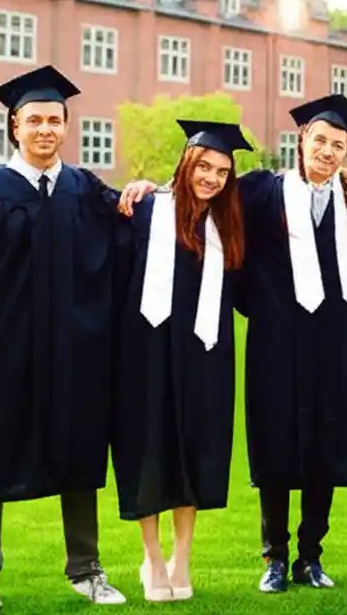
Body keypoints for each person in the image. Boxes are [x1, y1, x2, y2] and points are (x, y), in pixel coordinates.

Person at [120, 94, 347, 594]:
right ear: (302, 140)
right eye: (320, 140)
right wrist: (150, 188)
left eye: (338, 144)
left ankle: (311, 555)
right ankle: (275, 556)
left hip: (335, 347)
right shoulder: (262, 190)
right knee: (276, 446)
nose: (327, 151)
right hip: (275, 344)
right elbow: (205, 202)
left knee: (324, 447)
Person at [0, 65, 126, 614]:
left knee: (79, 457)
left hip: (74, 356)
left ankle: (86, 569)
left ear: (66, 125)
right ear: (14, 126)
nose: (45, 129)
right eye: (34, 120)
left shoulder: (85, 189)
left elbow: (132, 228)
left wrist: (141, 191)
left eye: (54, 120)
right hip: (1, 357)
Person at [111, 120, 251, 602]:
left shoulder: (226, 227)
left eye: (222, 172)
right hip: (145, 353)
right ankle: (152, 558)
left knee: (194, 450)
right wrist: (140, 186)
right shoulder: (145, 210)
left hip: (204, 355)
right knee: (147, 448)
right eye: (204, 167)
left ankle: (182, 558)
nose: (212, 178)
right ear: (186, 165)